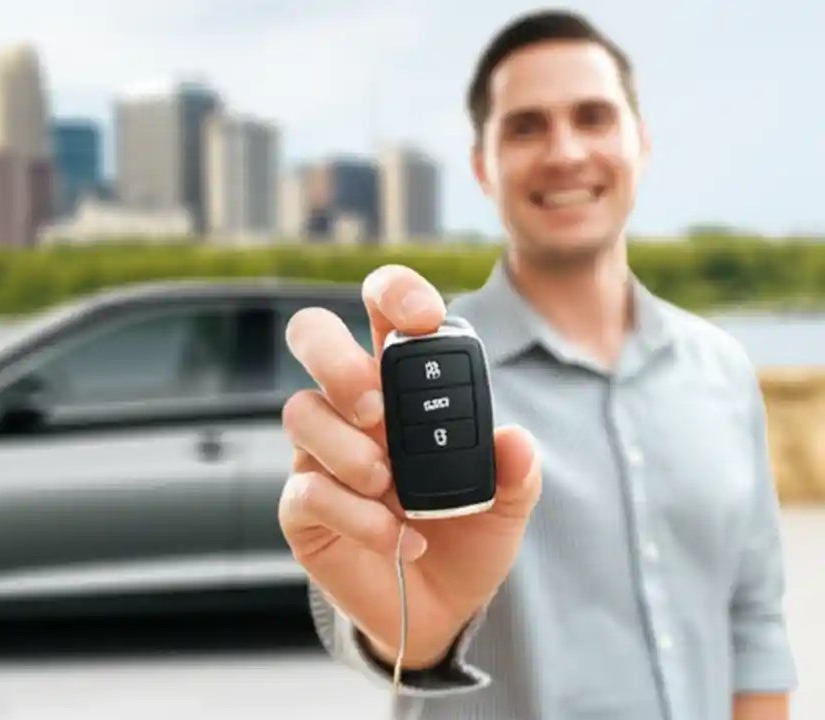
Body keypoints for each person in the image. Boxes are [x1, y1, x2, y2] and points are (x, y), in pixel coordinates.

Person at [279, 9, 798, 719]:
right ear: (481, 167)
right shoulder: (407, 384)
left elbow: (754, 623)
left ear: (640, 143)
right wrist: (410, 632)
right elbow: (372, 631)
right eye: (526, 126)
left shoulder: (725, 369)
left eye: (593, 117)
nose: (565, 152)